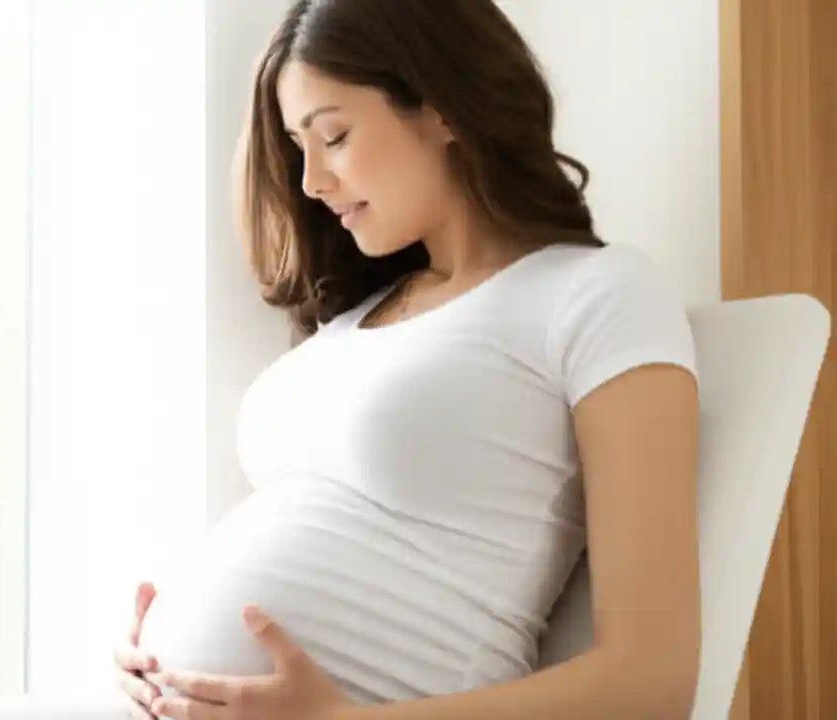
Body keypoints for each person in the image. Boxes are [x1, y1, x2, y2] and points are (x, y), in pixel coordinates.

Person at [114, 1, 701, 719]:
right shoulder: (353, 321)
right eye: (300, 148)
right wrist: (161, 653)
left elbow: (653, 681)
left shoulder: (596, 295)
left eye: (334, 135)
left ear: (443, 106)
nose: (312, 181)